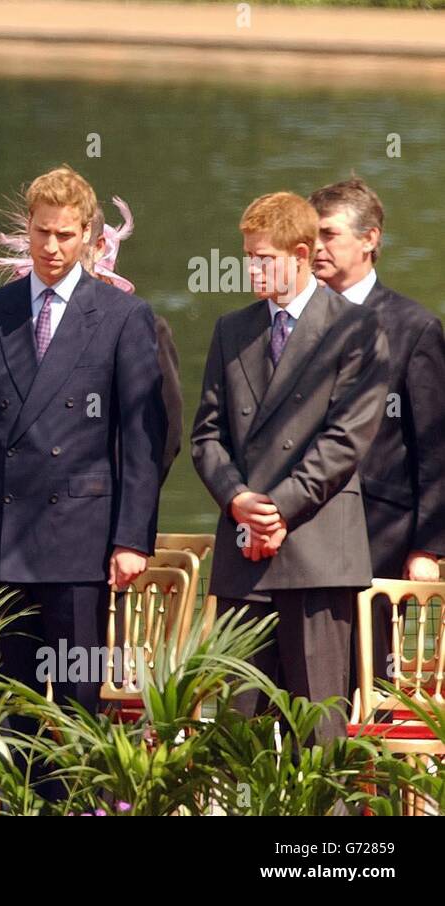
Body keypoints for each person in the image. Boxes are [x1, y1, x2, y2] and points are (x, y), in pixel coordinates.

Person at [0, 165, 166, 722]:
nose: (51, 246)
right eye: (42, 232)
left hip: (82, 543)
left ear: (90, 235)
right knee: (7, 703)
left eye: (65, 235)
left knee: (76, 704)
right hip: (0, 536)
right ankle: (13, 805)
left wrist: (132, 538)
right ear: (28, 228)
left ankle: (79, 811)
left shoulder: (123, 316)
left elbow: (141, 439)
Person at [191, 191, 390, 743]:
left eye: (263, 258)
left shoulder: (357, 329)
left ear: (300, 254)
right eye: (247, 257)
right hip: (244, 556)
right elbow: (207, 436)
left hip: (317, 554)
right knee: (235, 734)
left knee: (318, 735)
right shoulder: (232, 329)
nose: (250, 269)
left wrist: (278, 510)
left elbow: (345, 439)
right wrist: (238, 501)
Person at [308, 177, 445, 695]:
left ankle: (371, 781)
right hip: (304, 532)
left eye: (328, 234)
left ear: (369, 239)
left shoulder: (414, 327)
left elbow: (435, 447)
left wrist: (428, 547)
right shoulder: (297, 320)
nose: (315, 247)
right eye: (310, 235)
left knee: (370, 683)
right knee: (303, 683)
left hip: (379, 536)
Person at [0, 194, 183, 483]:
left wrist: (117, 500)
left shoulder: (144, 328)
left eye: (68, 237)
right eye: (44, 233)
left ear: (97, 248)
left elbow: (162, 436)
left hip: (97, 507)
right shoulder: (8, 321)